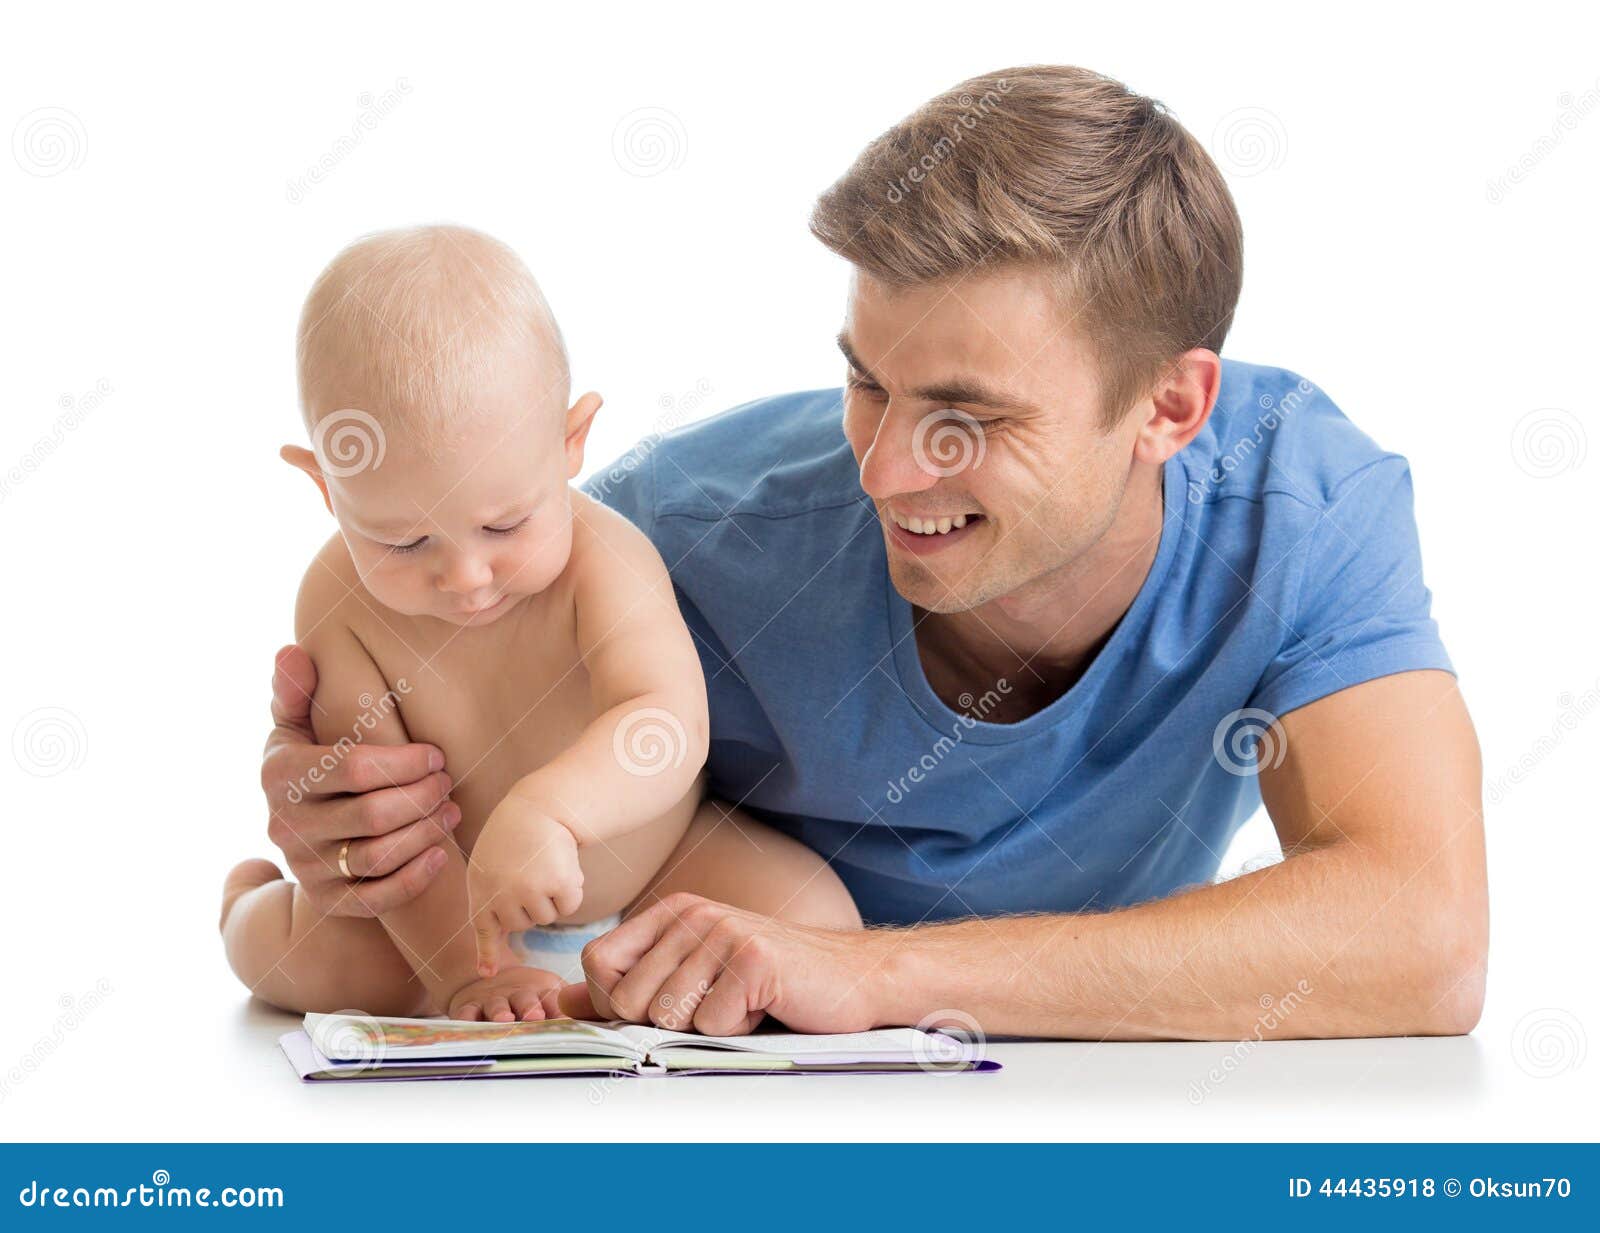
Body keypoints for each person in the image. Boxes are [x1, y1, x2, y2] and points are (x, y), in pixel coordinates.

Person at [256, 67, 1486, 1040]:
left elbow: (1424, 939)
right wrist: (354, 819)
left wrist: (875, 974)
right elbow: (434, 631)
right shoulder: (672, 538)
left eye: (964, 417)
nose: (885, 470)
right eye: (865, 383)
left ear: (1170, 407)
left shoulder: (1300, 507)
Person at [223, 224, 858, 1023]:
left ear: (569, 443)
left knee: (816, 925)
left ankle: (611, 968)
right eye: (404, 541)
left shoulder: (607, 559)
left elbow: (666, 722)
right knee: (309, 959)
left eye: (505, 524)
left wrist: (553, 809)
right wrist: (466, 973)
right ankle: (244, 904)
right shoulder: (336, 601)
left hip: (658, 869)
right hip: (453, 905)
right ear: (326, 484)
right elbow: (390, 819)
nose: (465, 576)